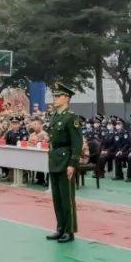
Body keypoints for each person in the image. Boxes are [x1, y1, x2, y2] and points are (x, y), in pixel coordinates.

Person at [44, 82, 83, 243]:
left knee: (67, 198)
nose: (55, 98)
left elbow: (77, 143)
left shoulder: (71, 117)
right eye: (55, 96)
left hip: (66, 159)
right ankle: (60, 228)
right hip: (54, 159)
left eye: (58, 96)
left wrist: (72, 164)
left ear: (66, 98)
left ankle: (69, 230)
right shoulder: (55, 116)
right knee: (57, 198)